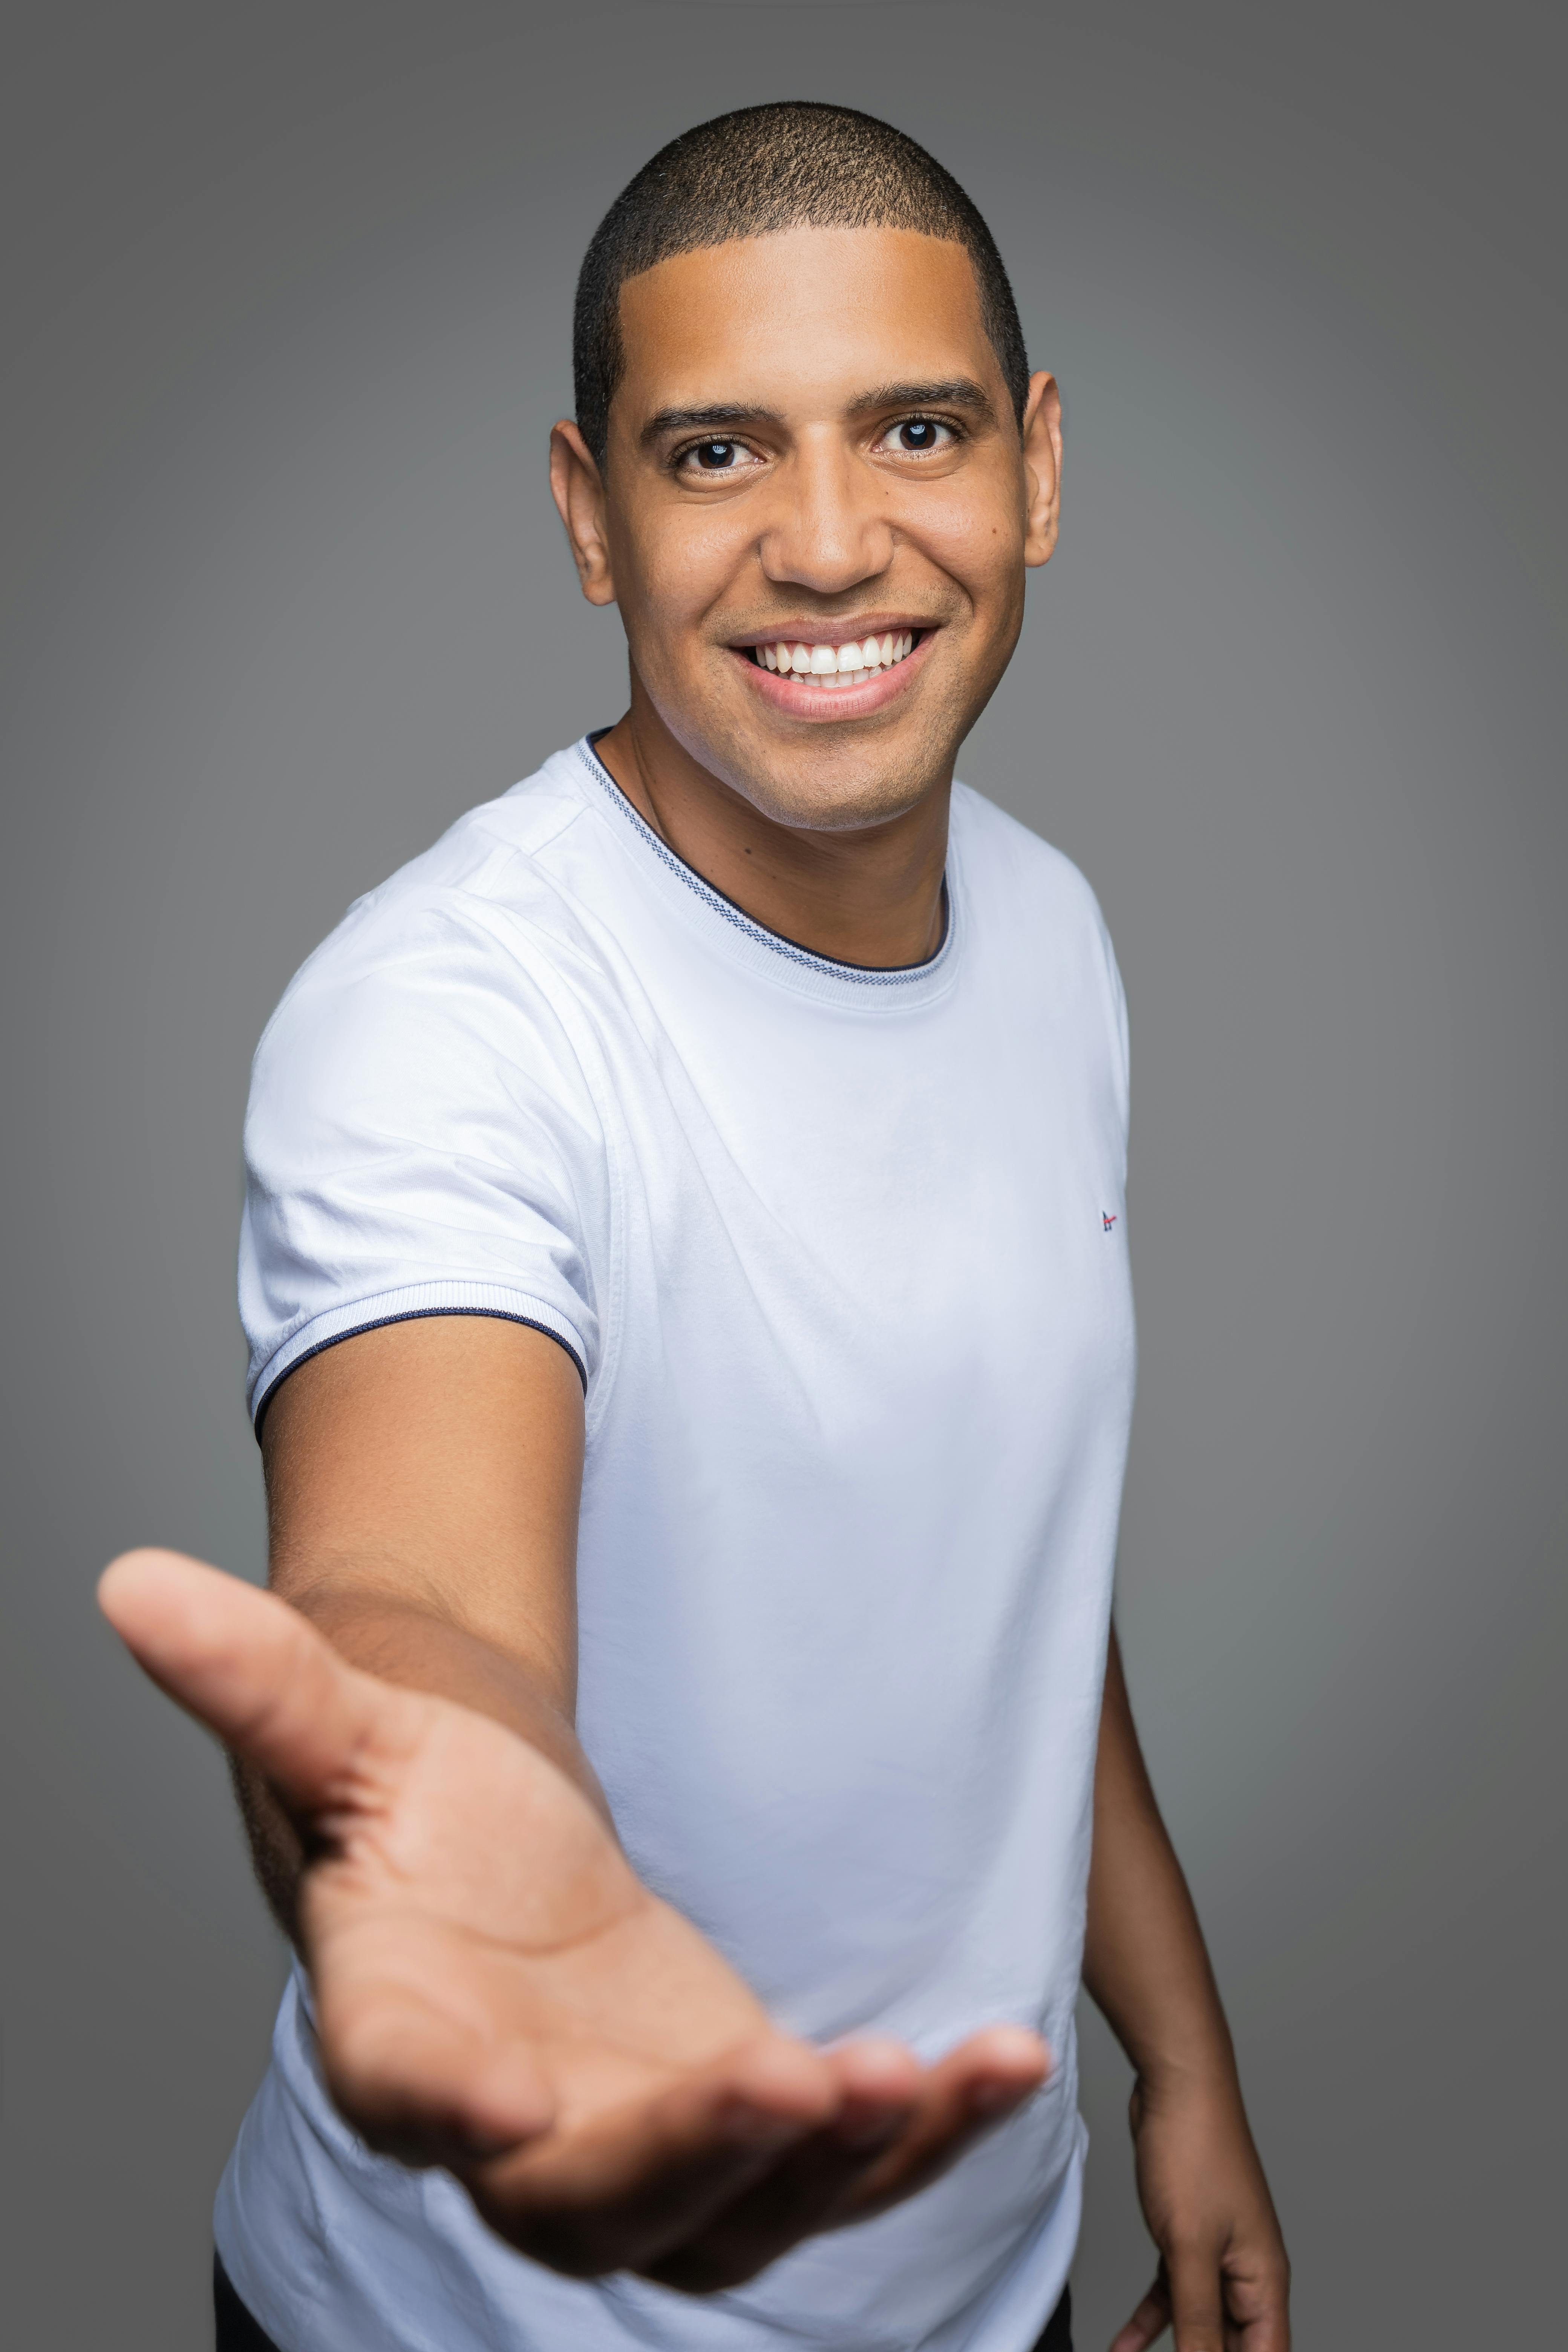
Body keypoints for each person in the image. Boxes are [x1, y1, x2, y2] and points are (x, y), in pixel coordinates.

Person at [101, 102, 1290, 2352]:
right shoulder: (450, 1017)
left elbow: (1005, 1576)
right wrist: (437, 1871)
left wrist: (1188, 2062)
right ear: (590, 514)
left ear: (1037, 466)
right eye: (719, 454)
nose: (829, 546)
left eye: (914, 430)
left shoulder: (1052, 930)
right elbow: (409, 1591)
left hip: (985, 2280)